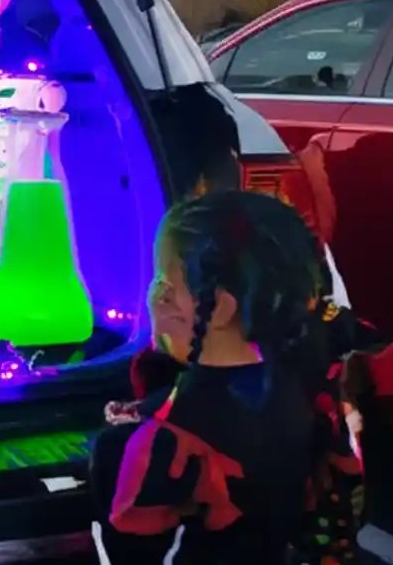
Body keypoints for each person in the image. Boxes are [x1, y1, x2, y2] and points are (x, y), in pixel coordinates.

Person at [90, 191, 321, 564]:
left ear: (220, 309)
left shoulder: (157, 442)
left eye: (166, 288)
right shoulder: (295, 390)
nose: (153, 300)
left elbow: (128, 551)